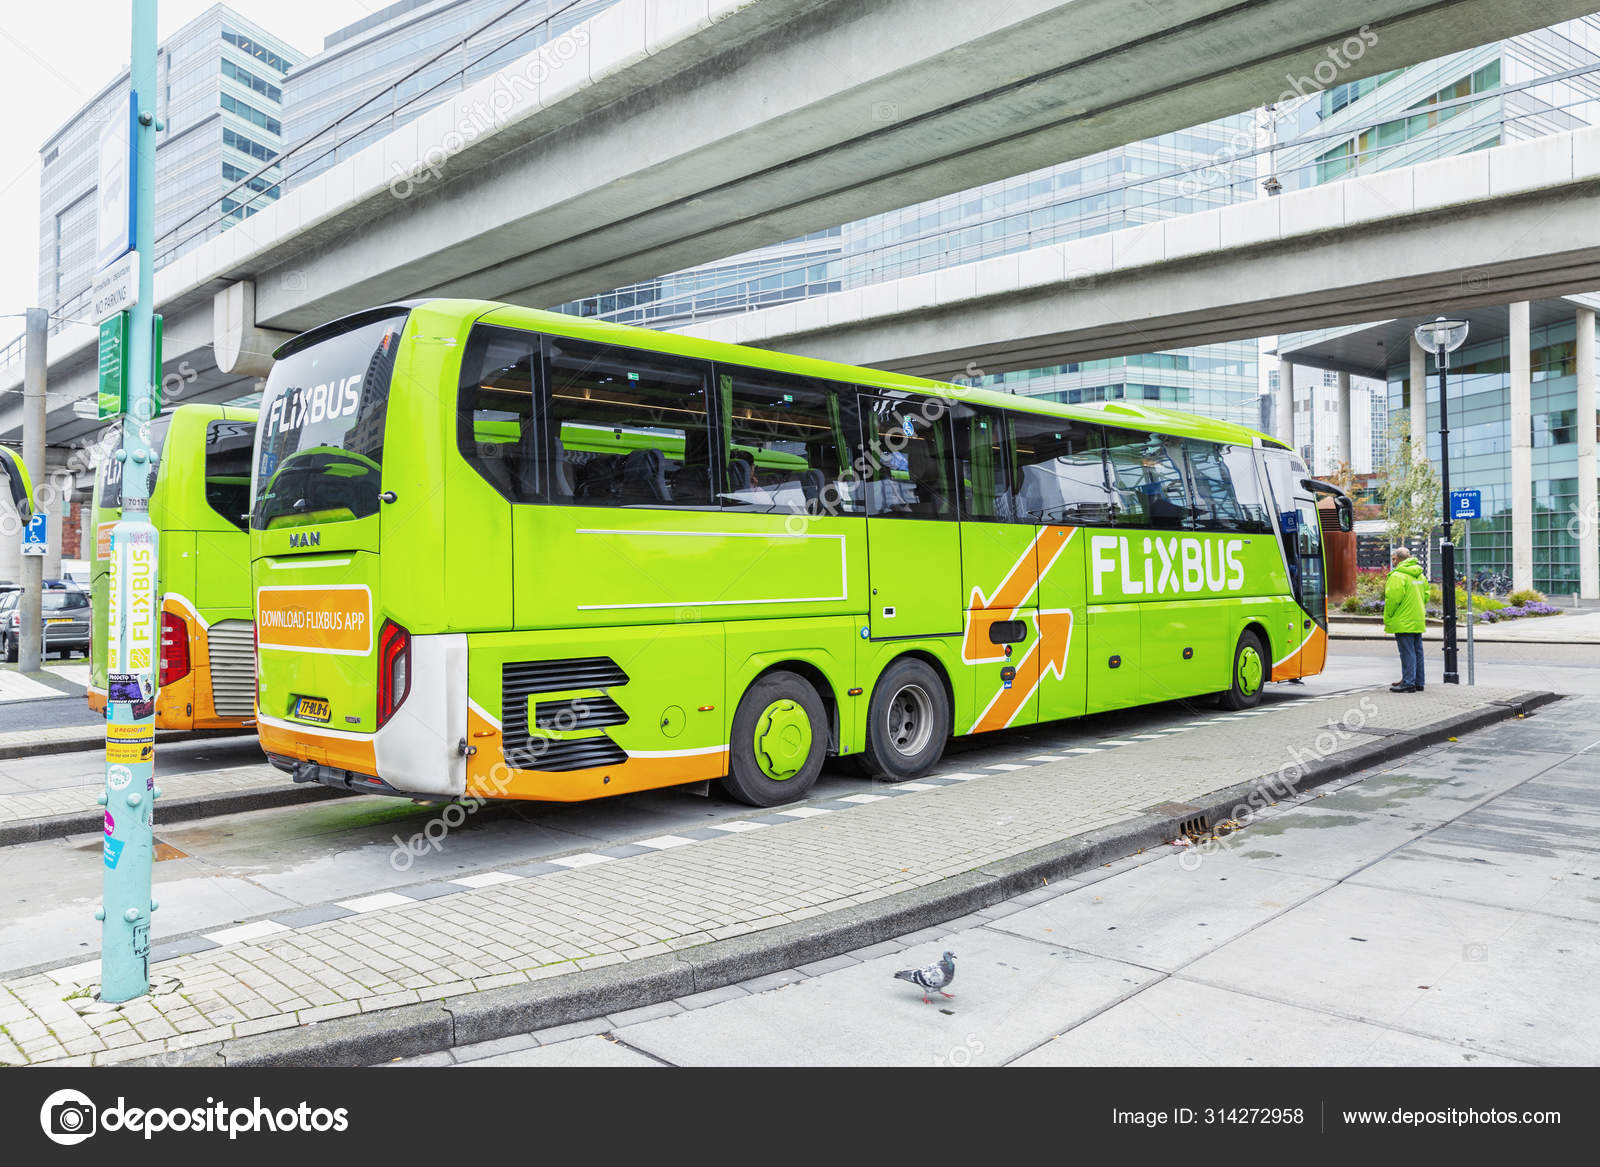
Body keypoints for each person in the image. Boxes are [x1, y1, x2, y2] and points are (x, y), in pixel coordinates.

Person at [1384, 546, 1429, 692]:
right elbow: (1426, 595)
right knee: (1417, 651)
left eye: (1393, 559)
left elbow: (1393, 599)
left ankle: (1408, 683)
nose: (1393, 562)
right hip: (1417, 617)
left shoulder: (1397, 576)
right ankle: (1418, 682)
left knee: (1407, 651)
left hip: (1403, 619)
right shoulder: (1420, 576)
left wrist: (1389, 615)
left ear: (1397, 559)